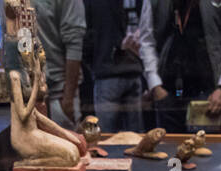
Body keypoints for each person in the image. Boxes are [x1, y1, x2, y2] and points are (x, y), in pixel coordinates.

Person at [138, 0, 221, 133]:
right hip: (166, 91)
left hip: (208, 92)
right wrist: (155, 85)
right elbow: (147, 41)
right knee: (168, 149)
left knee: (205, 150)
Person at [84, 0, 146, 131]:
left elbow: (85, 36)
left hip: (107, 69)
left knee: (107, 137)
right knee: (134, 136)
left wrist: (93, 62)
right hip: (132, 68)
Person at [33, 0, 86, 128]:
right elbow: (5, 37)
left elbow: (74, 42)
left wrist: (68, 99)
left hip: (57, 93)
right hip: (20, 99)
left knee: (66, 145)